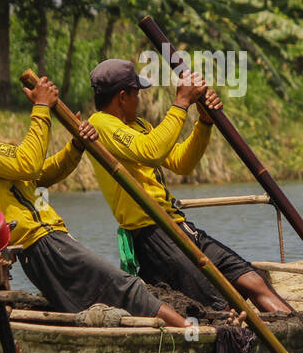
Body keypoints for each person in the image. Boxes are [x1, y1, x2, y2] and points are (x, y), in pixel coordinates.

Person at [0, 65, 189, 328]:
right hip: (41, 242)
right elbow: (27, 163)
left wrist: (76, 145)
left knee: (102, 300)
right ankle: (190, 330)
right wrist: (41, 109)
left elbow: (38, 176)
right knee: (125, 286)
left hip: (46, 241)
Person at [86, 58, 292, 314]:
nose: (140, 100)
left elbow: (181, 163)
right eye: (137, 94)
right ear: (122, 97)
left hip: (178, 226)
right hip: (152, 235)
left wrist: (204, 123)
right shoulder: (100, 124)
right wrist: (181, 102)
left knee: (253, 280)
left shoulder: (138, 125)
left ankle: (297, 328)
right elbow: (150, 151)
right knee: (220, 303)